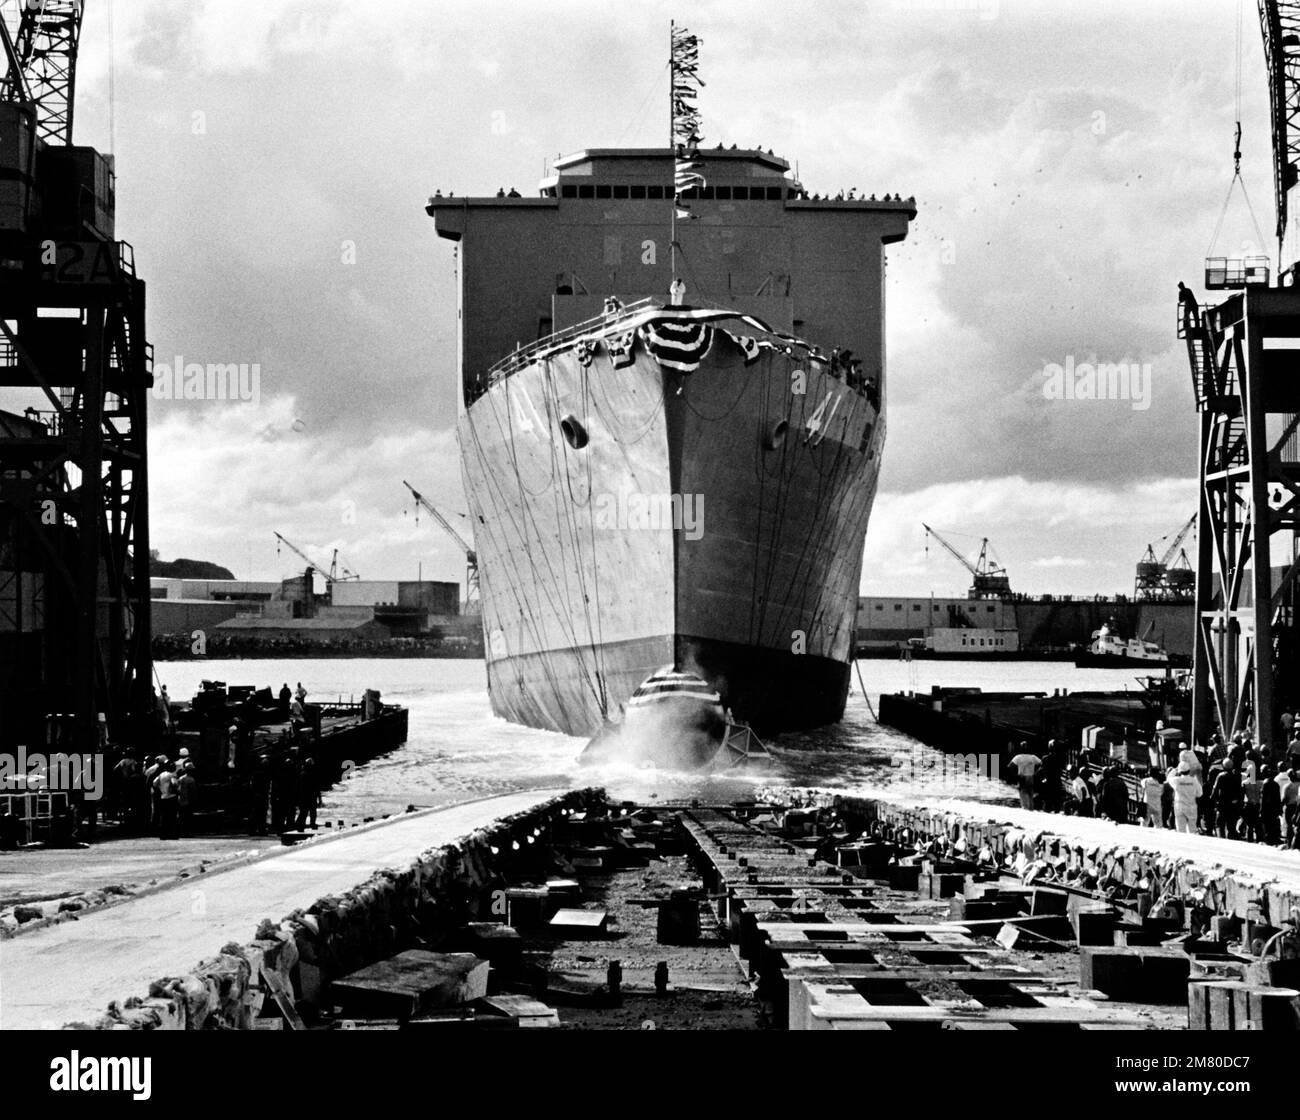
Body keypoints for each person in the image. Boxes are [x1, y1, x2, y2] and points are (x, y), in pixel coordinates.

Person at [1212, 759, 1244, 839]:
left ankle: (1221, 839)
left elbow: (1215, 790)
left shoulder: (1221, 776)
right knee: (1231, 826)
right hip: (1233, 805)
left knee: (1220, 824)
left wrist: (1213, 800)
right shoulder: (1237, 776)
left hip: (1222, 804)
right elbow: (1241, 791)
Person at [1167, 764, 1202, 833]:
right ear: (1189, 771)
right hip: (1191, 806)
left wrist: (1175, 770)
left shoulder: (1176, 780)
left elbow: (1169, 778)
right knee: (1192, 830)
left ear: (1180, 772)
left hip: (1179, 807)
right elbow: (1199, 794)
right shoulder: (1194, 781)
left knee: (1180, 830)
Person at [1008, 744, 1042, 810]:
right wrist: (1036, 773)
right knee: (1030, 794)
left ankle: (1025, 808)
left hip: (1021, 777)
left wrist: (1015, 775)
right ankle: (1031, 809)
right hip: (1031, 777)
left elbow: (1009, 766)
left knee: (1023, 793)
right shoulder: (1033, 757)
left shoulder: (1018, 757)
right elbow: (1042, 764)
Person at [153, 761, 179, 840]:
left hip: (163, 797)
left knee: (163, 816)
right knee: (172, 816)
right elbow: (174, 784)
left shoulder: (161, 774)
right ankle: (172, 834)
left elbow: (154, 783)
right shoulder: (172, 775)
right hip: (171, 797)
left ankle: (163, 834)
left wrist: (160, 789)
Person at [176, 762, 197, 836]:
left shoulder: (180, 778)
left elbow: (177, 789)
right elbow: (193, 791)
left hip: (180, 800)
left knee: (181, 817)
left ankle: (181, 832)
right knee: (187, 817)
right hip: (188, 800)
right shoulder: (191, 780)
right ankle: (186, 832)